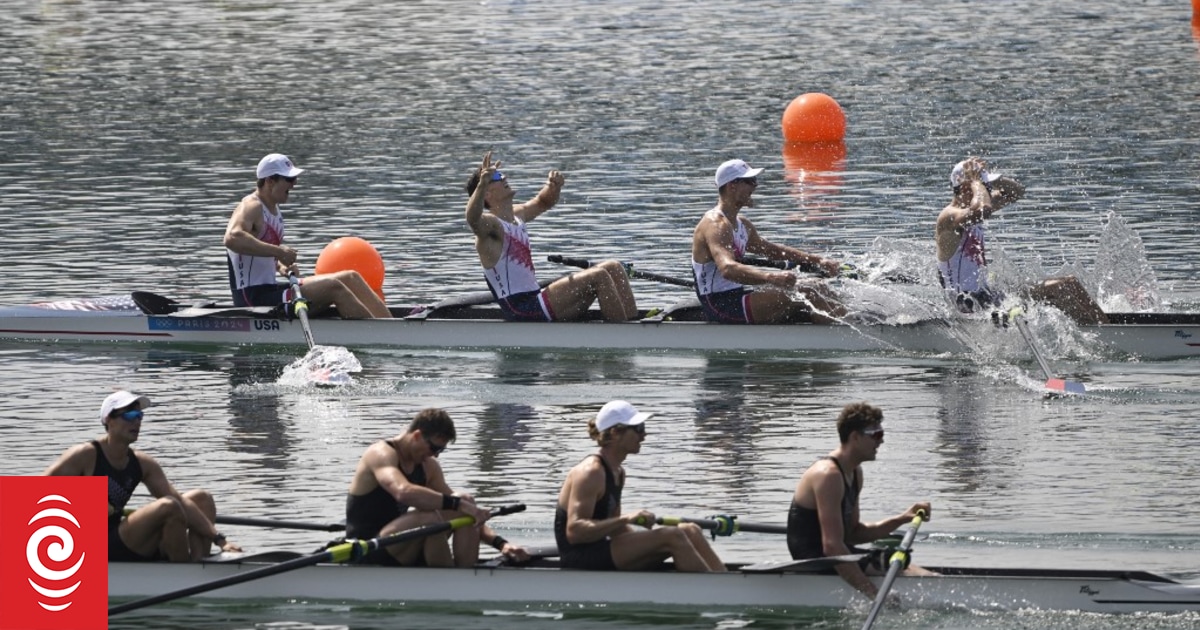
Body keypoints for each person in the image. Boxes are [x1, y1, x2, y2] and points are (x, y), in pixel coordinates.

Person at [42, 390, 238, 562]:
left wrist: (220, 540)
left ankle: (197, 566)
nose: (136, 421)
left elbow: (180, 500)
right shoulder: (85, 455)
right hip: (92, 544)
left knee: (201, 499)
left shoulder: (142, 463)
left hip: (120, 535)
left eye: (139, 416)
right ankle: (182, 573)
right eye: (129, 415)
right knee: (168, 507)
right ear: (108, 420)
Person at [464, 151, 638, 322]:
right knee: (598, 275)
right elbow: (472, 219)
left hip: (536, 299)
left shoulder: (517, 215)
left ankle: (633, 324)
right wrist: (481, 184)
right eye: (496, 177)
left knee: (613, 267)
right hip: (522, 309)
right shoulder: (491, 227)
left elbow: (543, 202)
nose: (503, 178)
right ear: (486, 193)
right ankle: (623, 337)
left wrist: (553, 186)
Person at [554, 400, 725, 572]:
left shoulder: (618, 472)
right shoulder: (590, 472)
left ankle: (723, 583)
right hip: (579, 558)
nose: (644, 435)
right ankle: (713, 593)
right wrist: (628, 518)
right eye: (638, 428)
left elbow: (617, 529)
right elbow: (575, 532)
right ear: (615, 432)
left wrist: (648, 542)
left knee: (690, 530)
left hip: (601, 550)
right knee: (673, 536)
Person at [345, 408, 529, 566]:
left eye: (441, 450)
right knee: (431, 517)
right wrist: (457, 504)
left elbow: (467, 511)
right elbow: (402, 492)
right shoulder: (381, 453)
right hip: (367, 546)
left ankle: (466, 577)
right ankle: (448, 582)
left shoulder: (428, 466)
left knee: (466, 501)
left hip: (402, 542)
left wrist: (501, 544)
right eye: (434, 448)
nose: (435, 455)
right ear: (417, 436)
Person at [787, 402, 933, 601]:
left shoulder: (855, 472)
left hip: (839, 553)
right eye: (876, 434)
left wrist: (902, 518)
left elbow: (854, 533)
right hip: (815, 559)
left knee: (919, 572)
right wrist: (874, 594)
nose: (881, 441)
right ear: (855, 437)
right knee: (906, 572)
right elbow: (831, 546)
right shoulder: (828, 475)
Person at [935, 157, 1108, 324]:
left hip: (986, 295)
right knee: (1061, 287)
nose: (988, 190)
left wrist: (989, 179)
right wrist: (976, 182)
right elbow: (983, 209)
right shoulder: (950, 216)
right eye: (985, 186)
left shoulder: (972, 209)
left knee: (1068, 285)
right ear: (966, 189)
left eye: (987, 186)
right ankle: (1108, 336)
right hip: (966, 304)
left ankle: (1100, 329)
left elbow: (1016, 192)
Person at [224, 153, 392, 319]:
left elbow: (256, 252)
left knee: (351, 277)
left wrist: (281, 267)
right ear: (269, 181)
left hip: (270, 290)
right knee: (334, 287)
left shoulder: (273, 209)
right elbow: (232, 238)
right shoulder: (251, 206)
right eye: (289, 179)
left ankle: (391, 325)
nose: (294, 183)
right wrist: (279, 252)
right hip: (253, 300)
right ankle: (378, 335)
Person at [691, 158, 846, 324]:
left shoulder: (743, 224)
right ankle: (842, 336)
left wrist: (819, 260)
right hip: (721, 305)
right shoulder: (715, 225)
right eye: (750, 181)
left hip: (738, 294)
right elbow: (728, 269)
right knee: (810, 290)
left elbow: (775, 251)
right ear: (732, 186)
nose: (755, 186)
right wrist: (771, 277)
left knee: (819, 286)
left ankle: (850, 322)